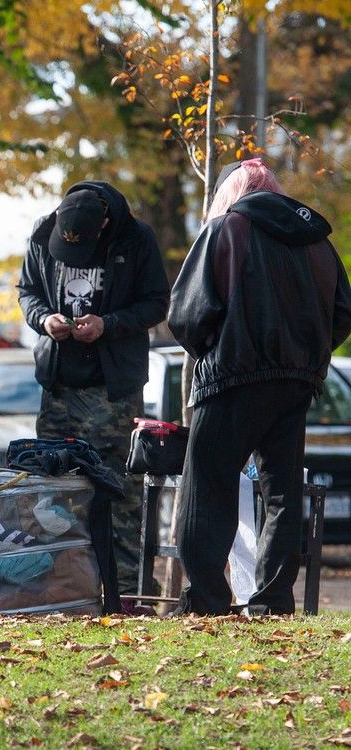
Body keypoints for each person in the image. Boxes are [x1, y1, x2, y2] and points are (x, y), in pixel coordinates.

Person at [168, 158, 351, 615]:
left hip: (230, 376)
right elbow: (344, 313)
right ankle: (272, 600)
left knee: (207, 487)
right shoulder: (318, 242)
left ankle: (206, 599)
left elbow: (187, 314)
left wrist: (209, 349)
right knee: (284, 492)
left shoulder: (227, 229)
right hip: (295, 384)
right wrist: (308, 356)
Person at [18, 181, 170, 596]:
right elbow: (26, 292)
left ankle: (125, 589)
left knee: (119, 488)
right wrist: (44, 318)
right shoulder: (41, 232)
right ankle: (57, 585)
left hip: (113, 389)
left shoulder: (137, 239)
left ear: (104, 224)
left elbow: (157, 302)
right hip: (58, 384)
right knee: (50, 487)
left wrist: (108, 325)